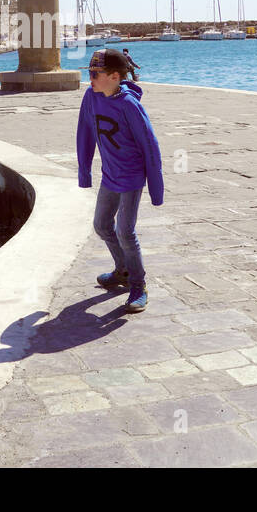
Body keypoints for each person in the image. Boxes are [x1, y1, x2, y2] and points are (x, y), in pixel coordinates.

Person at [77, 47, 163, 313]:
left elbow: (150, 146)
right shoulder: (91, 97)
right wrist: (84, 171)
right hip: (109, 176)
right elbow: (84, 132)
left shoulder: (129, 105)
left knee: (125, 231)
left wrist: (156, 189)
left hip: (132, 176)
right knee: (102, 225)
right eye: (89, 73)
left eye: (95, 73)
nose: (90, 78)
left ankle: (139, 285)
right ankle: (122, 270)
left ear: (114, 76)